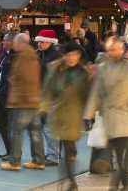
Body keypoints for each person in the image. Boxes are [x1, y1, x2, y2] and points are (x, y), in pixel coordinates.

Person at [84, 36, 128, 191]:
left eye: (114, 49)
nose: (111, 52)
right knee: (117, 153)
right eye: (109, 49)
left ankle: (114, 186)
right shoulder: (102, 68)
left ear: (121, 49)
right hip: (109, 116)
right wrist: (88, 114)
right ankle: (127, 186)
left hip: (127, 116)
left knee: (120, 153)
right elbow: (96, 92)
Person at [40, 41, 91, 190]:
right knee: (67, 147)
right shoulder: (54, 68)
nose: (72, 58)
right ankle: (70, 181)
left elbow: (87, 95)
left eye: (75, 55)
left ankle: (70, 180)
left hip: (74, 114)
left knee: (68, 147)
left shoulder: (83, 72)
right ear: (64, 55)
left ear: (79, 55)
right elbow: (47, 90)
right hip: (58, 113)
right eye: (69, 55)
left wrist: (89, 114)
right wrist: (44, 109)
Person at [0, 33, 45, 171]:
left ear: (21, 43)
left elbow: (25, 80)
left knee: (16, 132)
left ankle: (15, 161)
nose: (13, 45)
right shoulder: (33, 56)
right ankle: (38, 160)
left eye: (15, 43)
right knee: (35, 132)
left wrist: (13, 85)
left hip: (23, 101)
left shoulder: (24, 58)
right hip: (33, 100)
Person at [34, 29, 62, 167]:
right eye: (39, 41)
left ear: (50, 42)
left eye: (42, 41)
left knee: (48, 126)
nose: (39, 44)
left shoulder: (54, 57)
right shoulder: (44, 55)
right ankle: (54, 153)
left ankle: (53, 156)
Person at [0, 33, 15, 159]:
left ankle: (13, 152)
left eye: (5, 41)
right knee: (2, 124)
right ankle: (9, 150)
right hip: (1, 93)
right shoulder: (5, 56)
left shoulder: (15, 56)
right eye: (3, 40)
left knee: (9, 125)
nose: (3, 43)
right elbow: (0, 75)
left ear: (11, 42)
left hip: (9, 96)